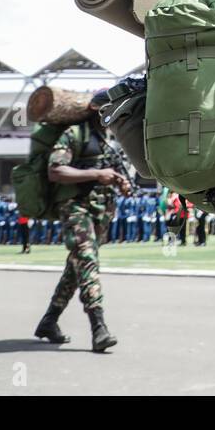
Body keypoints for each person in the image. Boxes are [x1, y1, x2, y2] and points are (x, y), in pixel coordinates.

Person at [33, 90, 132, 352]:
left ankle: (49, 320)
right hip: (75, 208)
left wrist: (120, 182)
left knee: (74, 269)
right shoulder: (74, 134)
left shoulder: (106, 141)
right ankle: (98, 327)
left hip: (100, 212)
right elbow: (56, 170)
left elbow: (112, 172)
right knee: (87, 261)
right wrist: (97, 174)